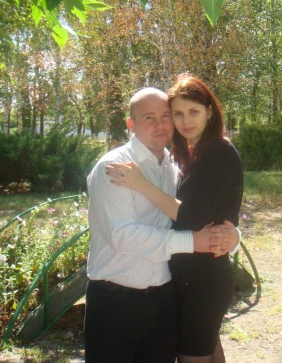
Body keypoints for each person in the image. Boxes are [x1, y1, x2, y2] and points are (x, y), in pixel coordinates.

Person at [84, 86, 239, 363]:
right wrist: (193, 241)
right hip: (115, 303)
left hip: (164, 301)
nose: (160, 125)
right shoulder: (115, 167)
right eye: (149, 118)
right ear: (131, 124)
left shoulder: (174, 165)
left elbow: (198, 212)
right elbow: (123, 236)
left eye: (166, 115)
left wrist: (233, 236)